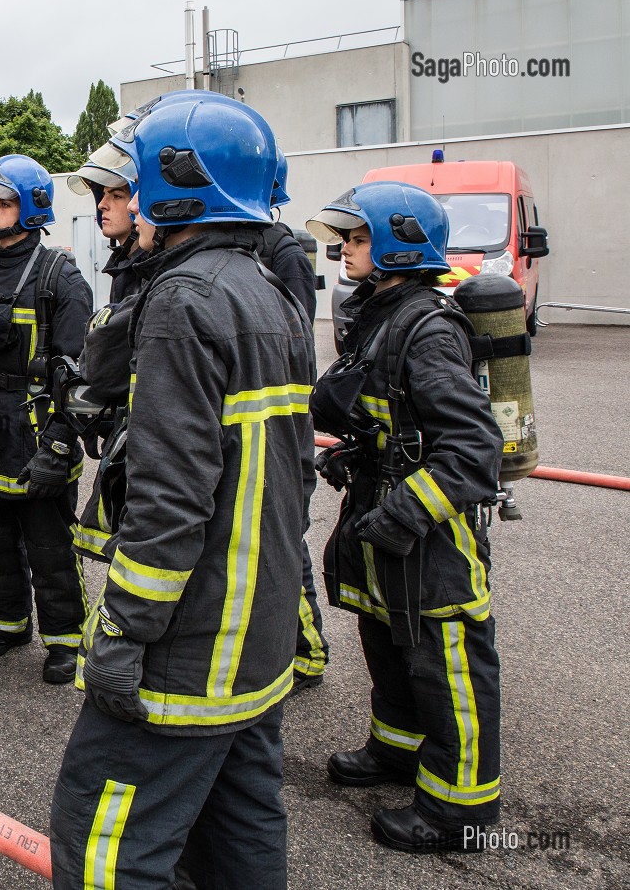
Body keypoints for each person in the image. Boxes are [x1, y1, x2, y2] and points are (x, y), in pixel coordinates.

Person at [49, 93, 313, 889]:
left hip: (186, 654)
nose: (116, 202)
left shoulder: (181, 301)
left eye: (129, 185)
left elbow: (170, 501)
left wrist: (124, 636)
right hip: (256, 645)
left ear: (173, 188)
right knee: (240, 835)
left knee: (102, 839)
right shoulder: (272, 292)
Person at [306, 181, 503, 852]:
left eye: (357, 237)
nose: (345, 248)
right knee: (389, 648)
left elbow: (475, 450)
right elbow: (389, 412)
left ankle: (461, 812)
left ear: (398, 242)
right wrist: (358, 452)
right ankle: (396, 751)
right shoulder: (379, 313)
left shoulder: (427, 328)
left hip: (431, 536)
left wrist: (405, 511)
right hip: (385, 515)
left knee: (444, 664)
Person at [0, 154, 92, 685]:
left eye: (2, 202)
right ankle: (6, 626)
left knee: (50, 542)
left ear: (29, 209)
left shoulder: (61, 276)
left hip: (39, 429)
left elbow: (82, 373)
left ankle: (65, 640)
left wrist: (59, 443)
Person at [260, 152, 330, 691]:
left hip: (280, 422)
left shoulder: (280, 252)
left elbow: (294, 343)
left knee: (285, 540)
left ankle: (307, 651)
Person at [66, 142, 144, 302]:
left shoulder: (148, 272)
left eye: (116, 196)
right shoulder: (124, 264)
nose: (102, 204)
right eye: (103, 194)